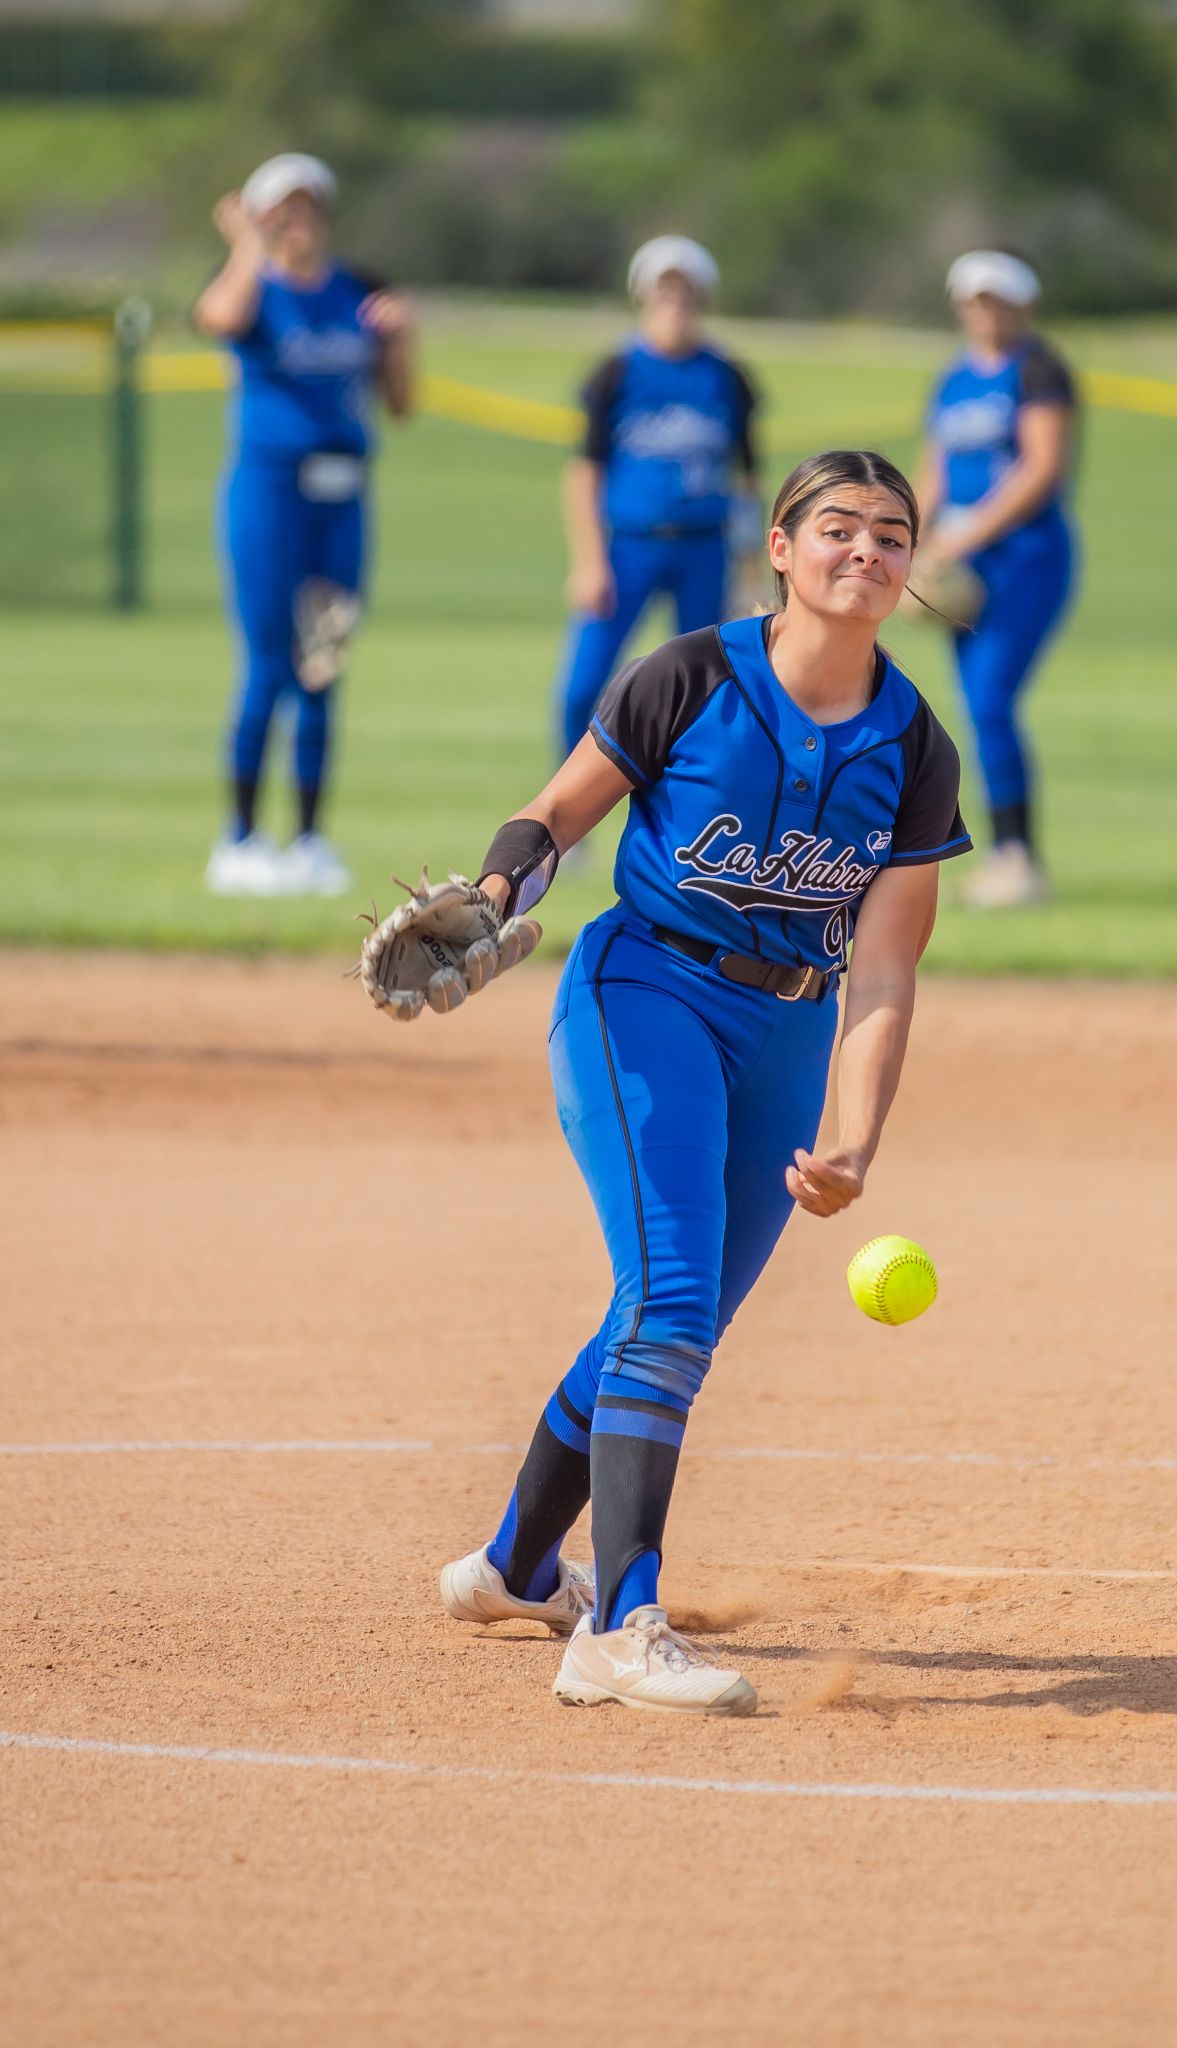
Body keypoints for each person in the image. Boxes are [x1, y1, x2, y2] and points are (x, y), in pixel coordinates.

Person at [435, 450, 971, 1715]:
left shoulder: (915, 743)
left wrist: (855, 1136)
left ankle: (517, 1567)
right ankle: (618, 1627)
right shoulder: (692, 674)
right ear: (779, 546)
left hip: (786, 1037)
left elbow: (883, 974)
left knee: (671, 1325)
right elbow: (558, 813)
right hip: (647, 994)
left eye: (892, 535)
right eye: (838, 527)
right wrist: (497, 890)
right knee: (669, 1299)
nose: (867, 551)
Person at [195, 153, 415, 897]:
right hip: (269, 495)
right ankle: (239, 840)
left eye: (309, 204)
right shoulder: (254, 288)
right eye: (281, 207)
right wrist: (244, 246)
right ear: (260, 217)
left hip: (341, 499)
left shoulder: (357, 292)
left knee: (323, 664)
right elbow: (217, 318)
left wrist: (400, 341)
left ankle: (311, 841)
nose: (299, 219)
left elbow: (402, 404)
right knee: (265, 663)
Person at [555, 234, 761, 764]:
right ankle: (563, 824)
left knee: (706, 688)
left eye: (686, 292)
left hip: (703, 549)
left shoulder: (726, 376)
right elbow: (584, 472)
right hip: (629, 546)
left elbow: (748, 480)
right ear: (643, 295)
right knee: (581, 686)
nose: (675, 303)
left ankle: (686, 810)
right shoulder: (618, 371)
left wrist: (751, 567)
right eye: (664, 291)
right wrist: (588, 561)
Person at [917, 250, 1078, 910]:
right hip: (963, 559)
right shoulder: (953, 379)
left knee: (989, 699)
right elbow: (934, 475)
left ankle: (1019, 859)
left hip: (1026, 556)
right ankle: (1009, 856)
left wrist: (968, 532)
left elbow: (1042, 469)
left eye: (997, 300)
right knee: (976, 707)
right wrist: (908, 541)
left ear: (1022, 305)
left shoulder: (1038, 368)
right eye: (974, 300)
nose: (985, 312)